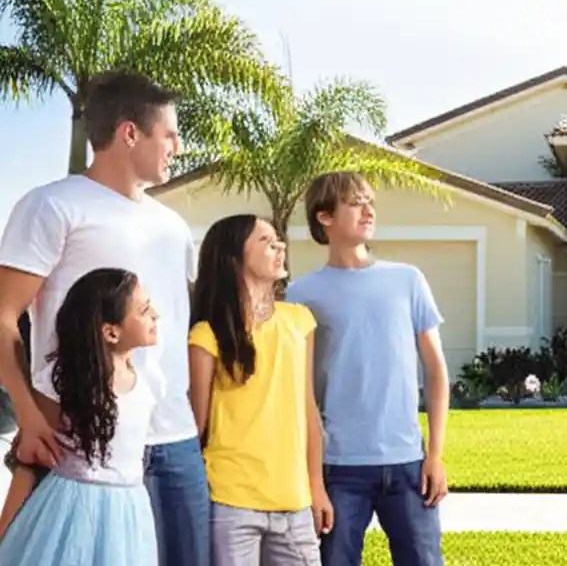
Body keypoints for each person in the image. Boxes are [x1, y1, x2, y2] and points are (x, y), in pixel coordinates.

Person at [0, 71, 210, 565]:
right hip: (78, 443)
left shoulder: (173, 226)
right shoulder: (52, 206)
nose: (178, 147)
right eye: (169, 134)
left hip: (174, 440)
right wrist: (29, 416)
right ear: (130, 133)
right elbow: (4, 314)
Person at [285, 171, 450, 566]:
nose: (368, 211)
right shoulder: (301, 294)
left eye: (369, 202)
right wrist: (313, 480)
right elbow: (298, 391)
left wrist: (435, 455)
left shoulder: (407, 280)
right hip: (339, 468)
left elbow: (437, 372)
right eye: (355, 203)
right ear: (325, 217)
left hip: (408, 464)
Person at [188, 214, 333, 565]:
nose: (279, 246)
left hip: (294, 501)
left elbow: (308, 409)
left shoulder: (299, 321)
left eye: (278, 240)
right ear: (233, 258)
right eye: (266, 241)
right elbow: (195, 428)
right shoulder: (206, 336)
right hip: (230, 500)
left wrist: (316, 485)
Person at [0, 268, 161, 564]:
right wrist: (5, 532)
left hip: (128, 512)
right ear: (111, 332)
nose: (156, 315)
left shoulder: (149, 377)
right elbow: (29, 460)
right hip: (69, 512)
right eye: (144, 310)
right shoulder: (65, 382)